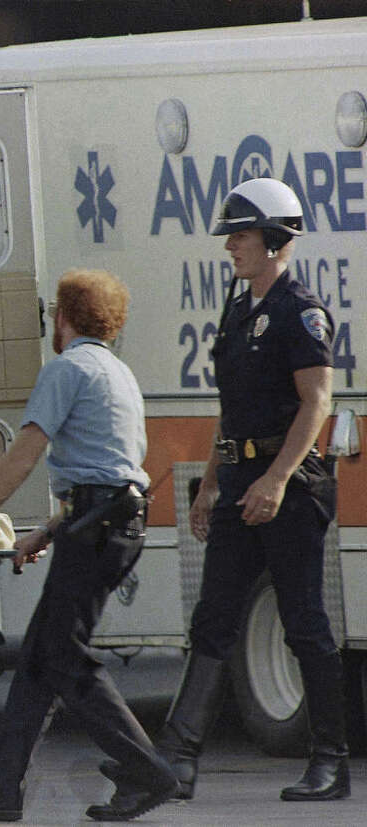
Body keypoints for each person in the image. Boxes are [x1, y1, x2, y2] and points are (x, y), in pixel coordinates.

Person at [101, 178, 347, 803]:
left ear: (275, 239)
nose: (230, 245)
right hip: (240, 483)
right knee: (212, 620)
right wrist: (210, 484)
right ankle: (176, 762)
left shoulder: (299, 311)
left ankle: (330, 761)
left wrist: (277, 478)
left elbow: (317, 402)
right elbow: (232, 411)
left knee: (304, 624)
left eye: (240, 235)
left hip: (289, 489)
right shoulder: (238, 311)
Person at [0, 268, 177, 822]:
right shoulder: (117, 372)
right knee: (40, 660)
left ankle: (146, 770)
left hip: (98, 526)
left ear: (63, 317)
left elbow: (20, 459)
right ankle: (1, 791)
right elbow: (109, 471)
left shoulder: (66, 369)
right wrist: (48, 530)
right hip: (114, 523)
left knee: (63, 655)